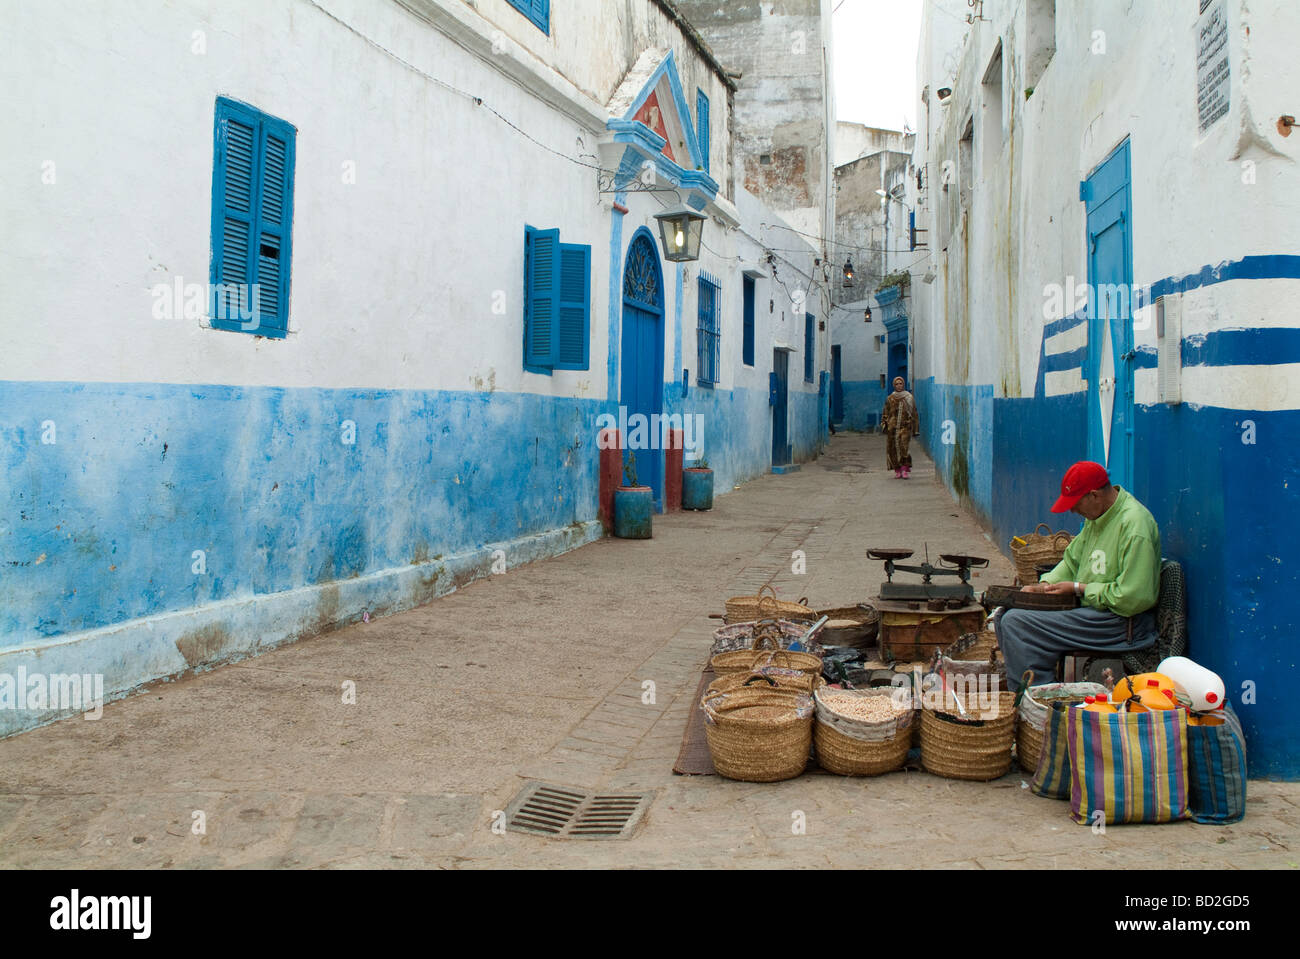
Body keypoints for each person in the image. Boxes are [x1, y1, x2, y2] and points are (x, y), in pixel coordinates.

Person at [997, 461, 1161, 692]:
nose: (1073, 510)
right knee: (1004, 613)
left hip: (1122, 622)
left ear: (1094, 495)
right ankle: (1034, 685)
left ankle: (1036, 698)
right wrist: (1043, 587)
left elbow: (1133, 598)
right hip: (1094, 612)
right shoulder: (1097, 518)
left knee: (1017, 624)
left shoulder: (1134, 525)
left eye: (1075, 504)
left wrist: (1080, 588)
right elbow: (1071, 561)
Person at [880, 376, 919, 478]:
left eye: (900, 383)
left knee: (904, 448)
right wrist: (884, 425)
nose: (899, 386)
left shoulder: (909, 397)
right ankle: (897, 470)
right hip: (892, 428)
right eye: (896, 384)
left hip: (905, 427)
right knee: (892, 449)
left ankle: (904, 469)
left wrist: (915, 429)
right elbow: (885, 413)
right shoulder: (890, 398)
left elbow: (914, 413)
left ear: (903, 384)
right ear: (894, 385)